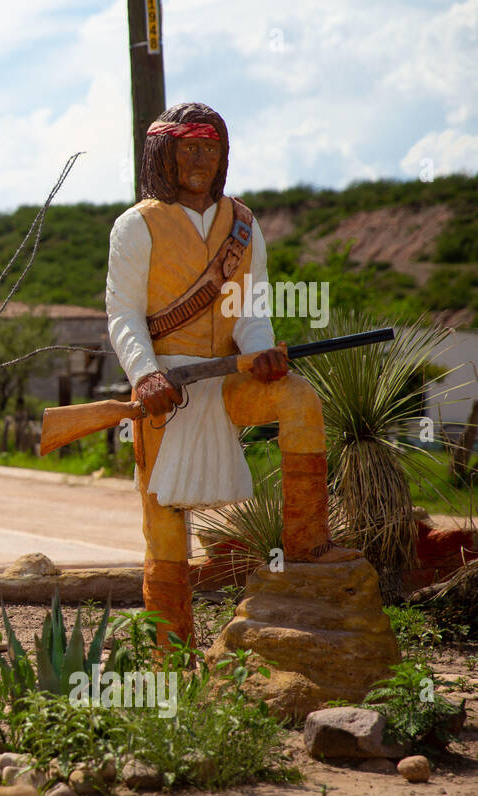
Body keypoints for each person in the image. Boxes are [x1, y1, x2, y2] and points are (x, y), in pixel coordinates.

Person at [105, 102, 358, 648]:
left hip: (229, 381)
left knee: (298, 400)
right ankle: (169, 658)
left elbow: (252, 309)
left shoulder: (243, 224)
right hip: (165, 389)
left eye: (210, 147)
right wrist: (146, 374)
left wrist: (261, 353)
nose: (200, 159)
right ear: (163, 153)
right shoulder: (135, 225)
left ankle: (308, 541)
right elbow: (123, 313)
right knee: (166, 519)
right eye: (188, 147)